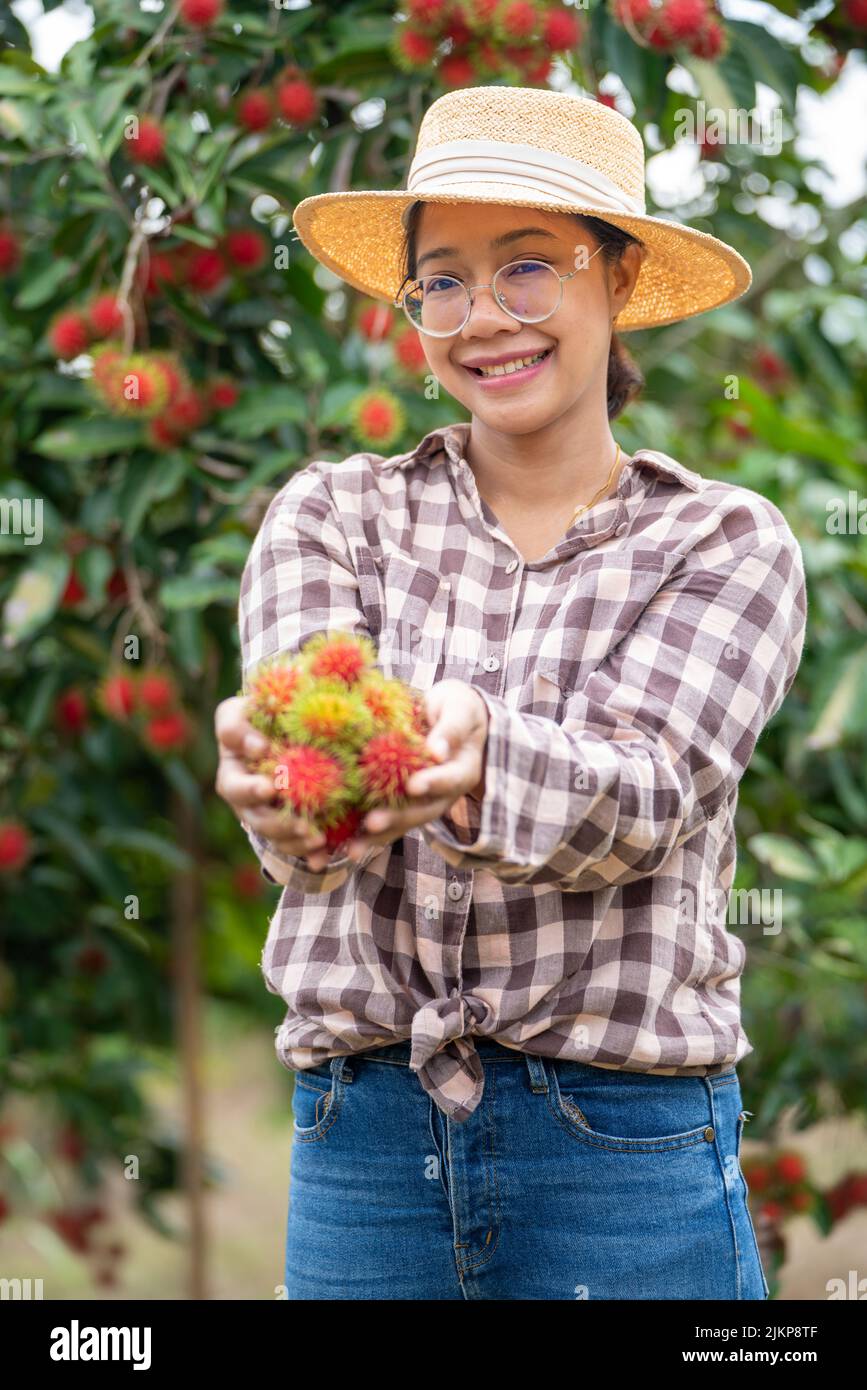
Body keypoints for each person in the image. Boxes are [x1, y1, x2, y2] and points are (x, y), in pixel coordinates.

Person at [214, 85, 806, 1300]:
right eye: (442, 281)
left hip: (623, 1155)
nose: (482, 319)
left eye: (527, 269)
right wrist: (284, 791)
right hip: (363, 1148)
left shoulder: (726, 544)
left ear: (621, 278)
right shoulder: (332, 515)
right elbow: (308, 774)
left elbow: (646, 791)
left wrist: (482, 754)